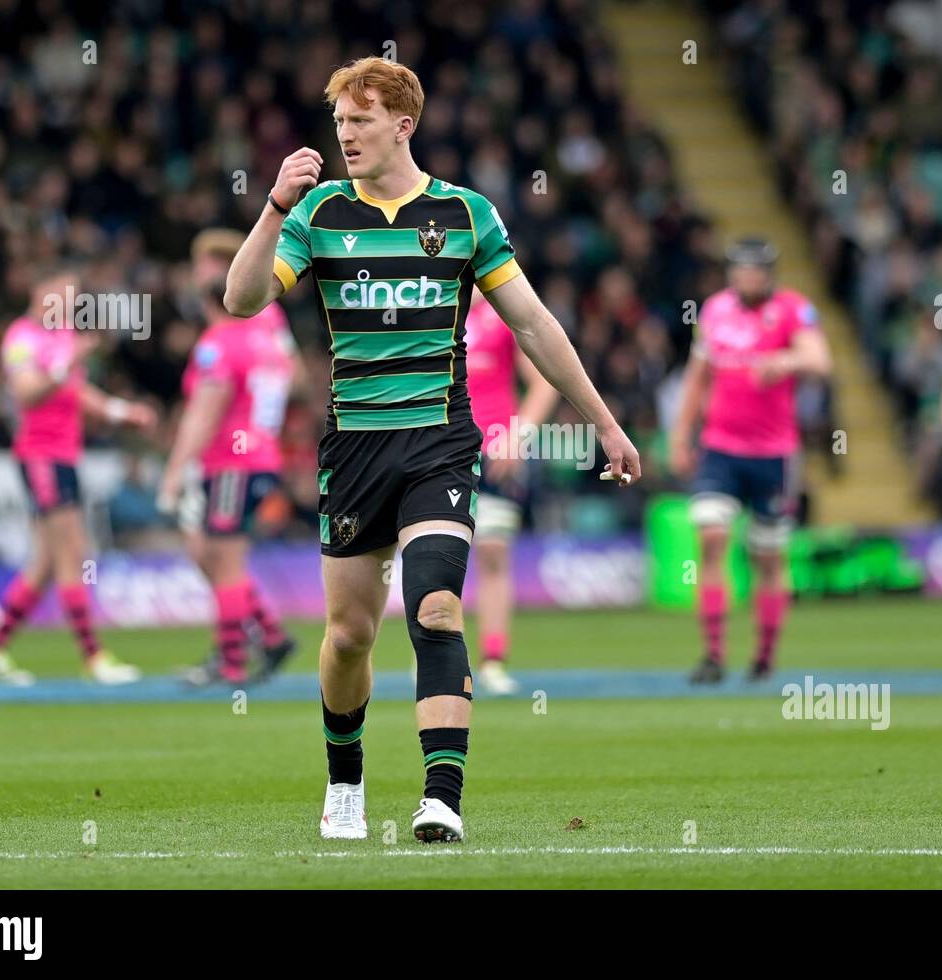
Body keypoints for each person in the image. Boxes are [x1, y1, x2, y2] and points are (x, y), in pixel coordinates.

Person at [223, 57, 640, 843]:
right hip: (353, 451)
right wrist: (275, 206)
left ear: (402, 125)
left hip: (439, 444)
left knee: (437, 607)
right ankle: (344, 780)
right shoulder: (316, 214)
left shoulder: (464, 214)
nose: (344, 134)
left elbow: (535, 326)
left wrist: (605, 423)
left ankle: (441, 796)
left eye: (360, 120)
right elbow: (240, 301)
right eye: (340, 121)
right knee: (349, 635)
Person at [0, 264, 156, 685]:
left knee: (47, 562)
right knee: (72, 551)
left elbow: (77, 392)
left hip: (64, 456)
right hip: (40, 457)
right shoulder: (22, 337)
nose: (71, 303)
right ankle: (93, 657)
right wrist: (65, 362)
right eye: (63, 293)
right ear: (40, 292)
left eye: (74, 296)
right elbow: (26, 392)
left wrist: (120, 411)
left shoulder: (64, 336)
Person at [669, 239, 832, 684]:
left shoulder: (794, 310)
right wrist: (681, 435)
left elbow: (821, 361)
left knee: (767, 556)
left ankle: (763, 654)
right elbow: (697, 376)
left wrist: (786, 359)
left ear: (770, 273)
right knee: (712, 540)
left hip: (773, 456)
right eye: (739, 269)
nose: (746, 277)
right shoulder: (716, 311)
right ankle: (714, 654)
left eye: (755, 270)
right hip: (720, 449)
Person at [157, 229, 300, 685]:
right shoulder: (267, 326)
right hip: (257, 455)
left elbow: (204, 413)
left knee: (222, 559)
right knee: (212, 554)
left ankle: (231, 660)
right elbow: (288, 379)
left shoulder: (221, 341)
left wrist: (175, 471)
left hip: (231, 461)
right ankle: (269, 638)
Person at [464, 287, 558, 695]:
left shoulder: (503, 312)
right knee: (434, 556)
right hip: (438, 450)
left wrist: (519, 435)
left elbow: (544, 382)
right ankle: (432, 659)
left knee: (493, 552)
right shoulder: (428, 305)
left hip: (494, 450)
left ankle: (493, 661)